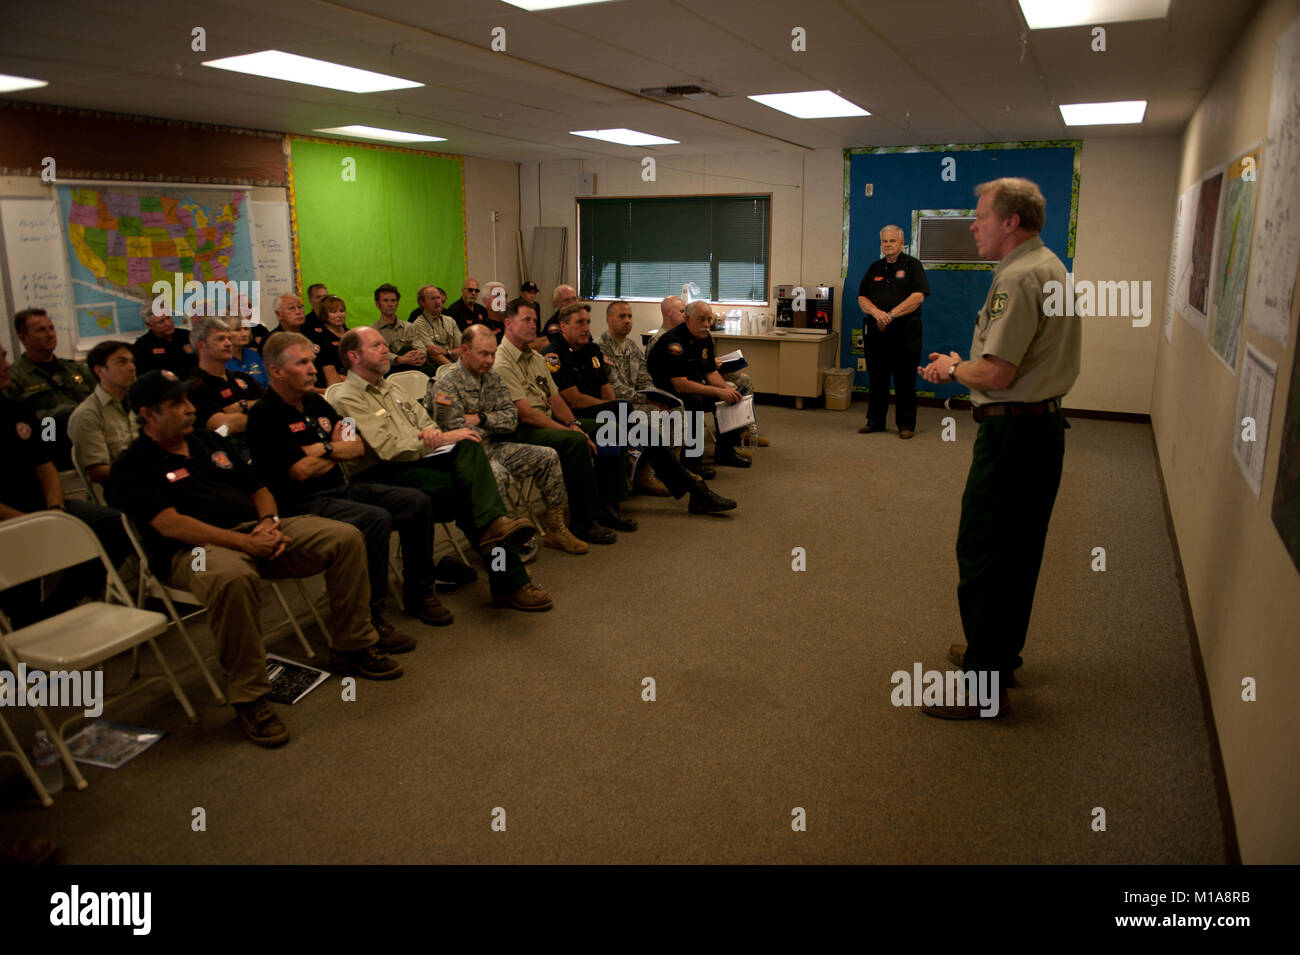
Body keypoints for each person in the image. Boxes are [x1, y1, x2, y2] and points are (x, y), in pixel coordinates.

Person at [109, 369, 403, 746]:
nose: (188, 408)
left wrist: (267, 523)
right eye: (176, 403)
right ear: (148, 414)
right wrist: (245, 543)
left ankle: (353, 645)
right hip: (194, 552)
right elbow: (171, 525)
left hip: (254, 529)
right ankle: (251, 696)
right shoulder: (133, 464)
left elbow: (259, 488)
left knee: (344, 537)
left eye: (187, 400)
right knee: (232, 577)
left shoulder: (205, 441)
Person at [917, 177, 1081, 719]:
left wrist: (950, 368)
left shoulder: (1021, 276)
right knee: (1014, 553)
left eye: (981, 215)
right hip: (1036, 431)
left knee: (985, 550)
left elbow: (997, 371)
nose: (972, 224)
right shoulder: (1046, 266)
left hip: (1014, 435)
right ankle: (996, 656)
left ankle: (985, 687)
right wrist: (968, 367)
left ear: (1011, 222)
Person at [330, 327, 554, 611]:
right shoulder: (345, 397)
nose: (386, 349)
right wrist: (436, 439)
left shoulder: (391, 387)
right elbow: (386, 448)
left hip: (419, 461)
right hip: (380, 474)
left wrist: (437, 436)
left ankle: (498, 537)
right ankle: (509, 581)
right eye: (376, 345)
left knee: (469, 446)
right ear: (354, 356)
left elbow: (427, 423)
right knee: (476, 502)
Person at [246, 332, 451, 635]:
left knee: (415, 501)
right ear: (276, 371)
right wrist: (334, 451)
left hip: (338, 489)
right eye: (301, 363)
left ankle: (419, 593)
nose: (312, 369)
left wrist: (323, 450)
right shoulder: (265, 415)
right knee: (373, 519)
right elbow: (300, 471)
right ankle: (370, 615)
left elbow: (354, 446)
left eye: (312, 361)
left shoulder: (316, 403)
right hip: (300, 504)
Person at [548, 303, 736, 516]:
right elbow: (573, 400)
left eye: (588, 322)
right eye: (580, 323)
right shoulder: (555, 355)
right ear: (563, 327)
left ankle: (695, 492)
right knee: (638, 420)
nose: (586, 328)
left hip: (604, 411)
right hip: (574, 418)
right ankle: (689, 488)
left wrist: (620, 407)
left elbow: (607, 389)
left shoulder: (589, 350)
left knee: (648, 432)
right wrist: (617, 408)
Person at [0, 342, 130, 628]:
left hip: (42, 506)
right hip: (7, 520)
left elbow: (45, 468)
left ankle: (64, 601)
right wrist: (30, 522)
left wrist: (55, 509)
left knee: (114, 525)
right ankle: (27, 629)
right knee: (19, 568)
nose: (6, 364)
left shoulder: (14, 411)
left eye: (5, 356)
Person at [432, 324, 589, 554]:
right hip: (467, 457)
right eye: (483, 354)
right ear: (464, 350)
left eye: (493, 354)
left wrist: (482, 418)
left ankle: (556, 528)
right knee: (497, 473)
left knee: (548, 456)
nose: (489, 360)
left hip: (495, 445)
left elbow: (511, 419)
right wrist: (491, 421)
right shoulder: (447, 385)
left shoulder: (492, 377)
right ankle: (500, 544)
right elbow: (455, 430)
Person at [493, 297, 628, 539]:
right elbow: (526, 414)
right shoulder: (502, 362)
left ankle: (608, 506)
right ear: (508, 324)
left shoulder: (534, 357)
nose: (534, 325)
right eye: (526, 320)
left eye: (535, 320)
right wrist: (569, 431)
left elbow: (556, 400)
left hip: (546, 421)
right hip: (522, 430)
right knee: (575, 443)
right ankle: (583, 521)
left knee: (612, 428)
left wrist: (573, 423)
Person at [647, 300, 750, 470]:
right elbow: (681, 385)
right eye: (701, 320)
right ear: (687, 319)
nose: (706, 325)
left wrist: (726, 390)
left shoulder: (705, 338)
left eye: (708, 320)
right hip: (666, 390)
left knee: (730, 394)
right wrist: (718, 392)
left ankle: (725, 452)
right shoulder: (674, 342)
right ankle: (691, 462)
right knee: (695, 401)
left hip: (690, 385)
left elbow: (711, 373)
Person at [858, 224, 931, 438]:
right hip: (877, 332)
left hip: (905, 332)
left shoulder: (912, 266)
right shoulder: (874, 268)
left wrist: (889, 315)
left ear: (901, 243)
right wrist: (877, 313)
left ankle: (906, 425)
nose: (887, 245)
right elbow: (862, 298)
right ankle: (875, 421)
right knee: (877, 378)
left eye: (892, 241)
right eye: (884, 241)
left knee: (905, 379)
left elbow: (918, 297)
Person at [4, 308, 94, 468]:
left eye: (51, 328)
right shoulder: (14, 378)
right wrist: (54, 417)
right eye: (41, 330)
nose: (50, 334)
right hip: (48, 449)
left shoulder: (75, 370)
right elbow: (13, 424)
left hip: (89, 444)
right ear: (22, 337)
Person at [68, 340, 138, 485]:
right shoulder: (87, 414)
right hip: (124, 488)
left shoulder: (139, 402)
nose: (131, 367)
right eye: (122, 362)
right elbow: (97, 472)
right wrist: (144, 473)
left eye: (132, 361)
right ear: (99, 370)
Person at [189, 317, 264, 451]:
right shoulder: (196, 384)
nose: (228, 343)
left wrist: (243, 405)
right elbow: (224, 425)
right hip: (229, 452)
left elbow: (270, 403)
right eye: (220, 339)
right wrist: (262, 414)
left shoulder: (241, 377)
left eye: (228, 338)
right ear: (200, 345)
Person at [372, 283, 432, 376]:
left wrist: (419, 355)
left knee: (411, 351)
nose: (390, 304)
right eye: (385, 301)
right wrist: (399, 359)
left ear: (397, 303)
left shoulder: (409, 327)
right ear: (377, 304)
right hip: (389, 371)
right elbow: (378, 355)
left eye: (393, 301)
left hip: (413, 366)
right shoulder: (373, 331)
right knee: (406, 348)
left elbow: (420, 345)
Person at [132, 306, 197, 377]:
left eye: (168, 318)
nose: (168, 324)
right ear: (149, 325)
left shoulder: (187, 336)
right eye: (161, 321)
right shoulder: (142, 346)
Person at [409, 285, 462, 367]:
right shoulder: (419, 324)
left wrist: (447, 352)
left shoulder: (450, 321)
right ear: (422, 302)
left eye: (438, 298)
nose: (437, 302)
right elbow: (433, 354)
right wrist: (453, 370)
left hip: (455, 364)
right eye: (432, 299)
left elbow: (461, 349)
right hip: (435, 369)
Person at [311, 294, 349, 387]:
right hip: (329, 386)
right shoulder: (318, 335)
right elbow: (329, 375)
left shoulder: (351, 334)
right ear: (324, 315)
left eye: (342, 311)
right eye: (334, 312)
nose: (339, 315)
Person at [224, 314, 269, 387]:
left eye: (246, 329)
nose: (244, 334)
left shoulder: (253, 355)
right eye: (237, 330)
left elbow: (266, 383)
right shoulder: (222, 359)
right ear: (225, 333)